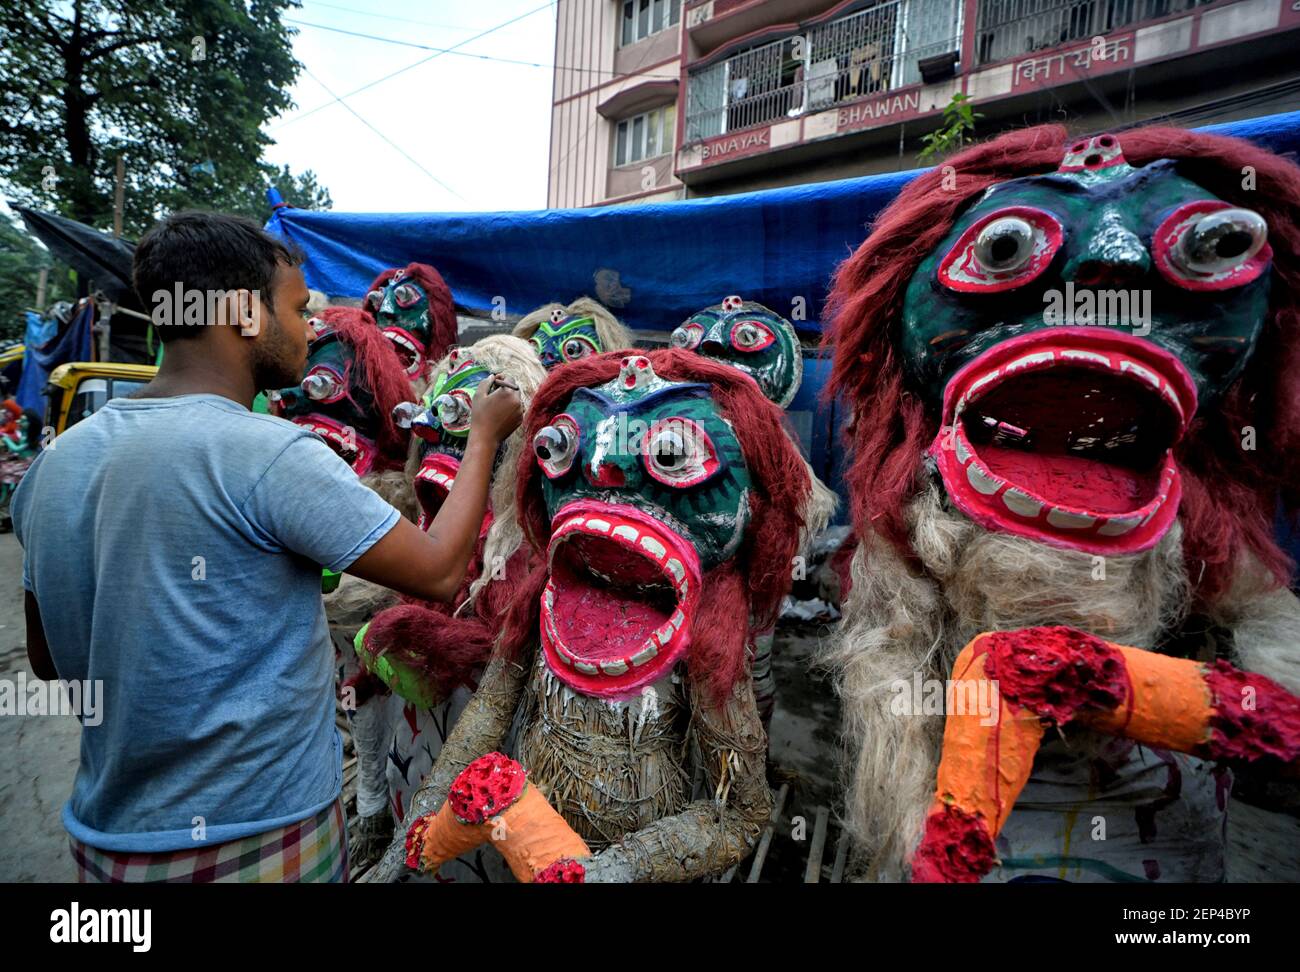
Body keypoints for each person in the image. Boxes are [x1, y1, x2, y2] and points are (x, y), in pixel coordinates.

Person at [12, 211, 522, 883]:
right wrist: (483, 437)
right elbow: (438, 569)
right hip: (261, 841)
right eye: (296, 308)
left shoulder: (55, 465)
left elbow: (50, 661)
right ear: (239, 315)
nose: (310, 327)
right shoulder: (270, 454)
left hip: (106, 844)